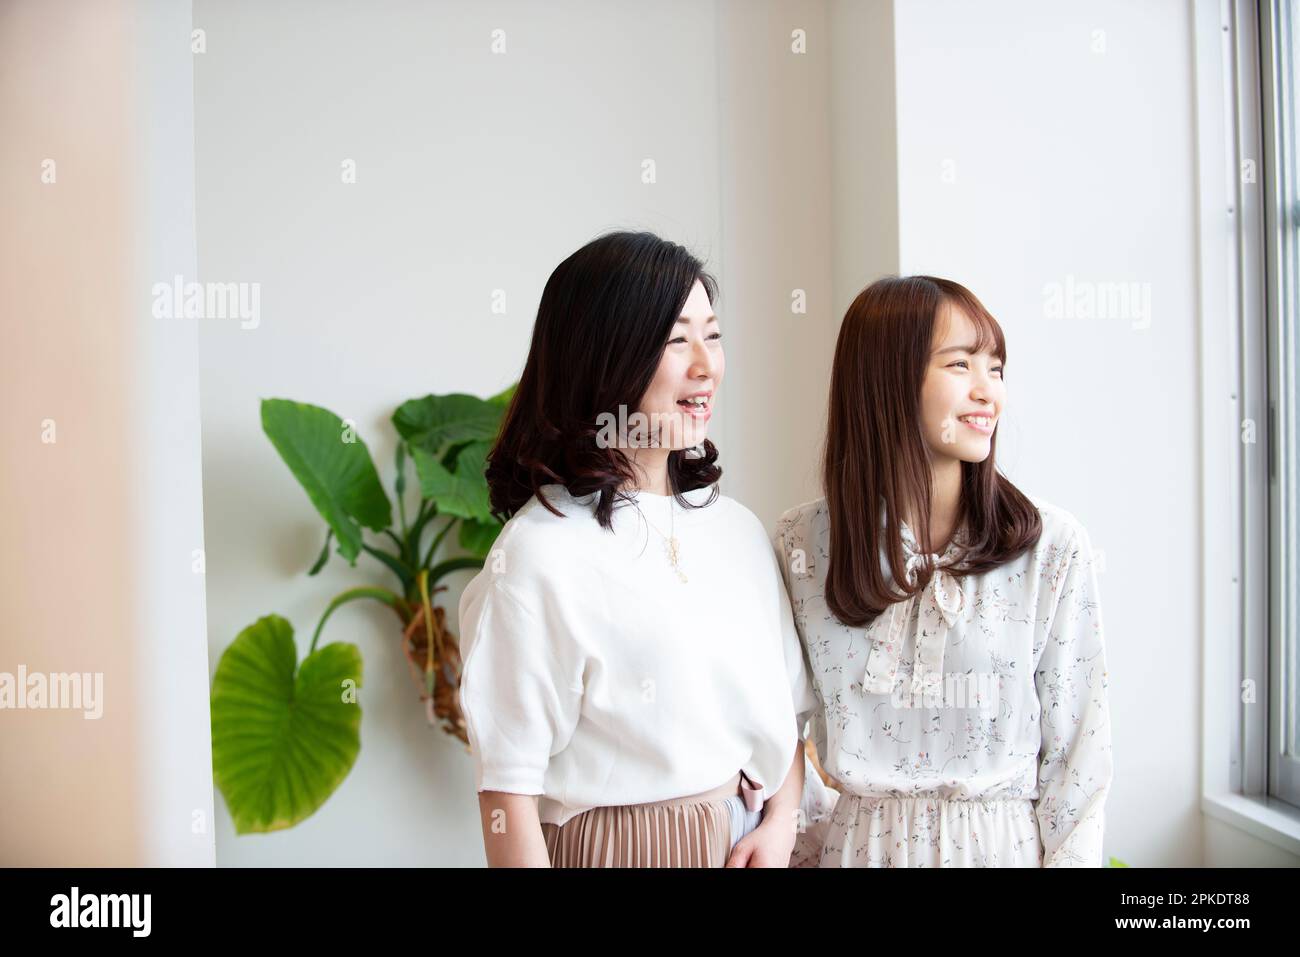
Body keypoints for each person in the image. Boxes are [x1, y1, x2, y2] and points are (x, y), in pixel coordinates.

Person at [458, 230, 820, 867]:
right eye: (677, 339)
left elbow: (784, 717)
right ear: (604, 356)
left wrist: (783, 818)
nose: (705, 365)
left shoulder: (736, 530)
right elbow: (507, 794)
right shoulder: (540, 554)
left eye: (713, 334)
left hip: (745, 840)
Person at [776, 275, 1113, 867]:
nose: (989, 392)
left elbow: (1078, 761)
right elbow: (777, 731)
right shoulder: (802, 544)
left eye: (997, 368)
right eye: (961, 365)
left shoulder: (1051, 548)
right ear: (885, 379)